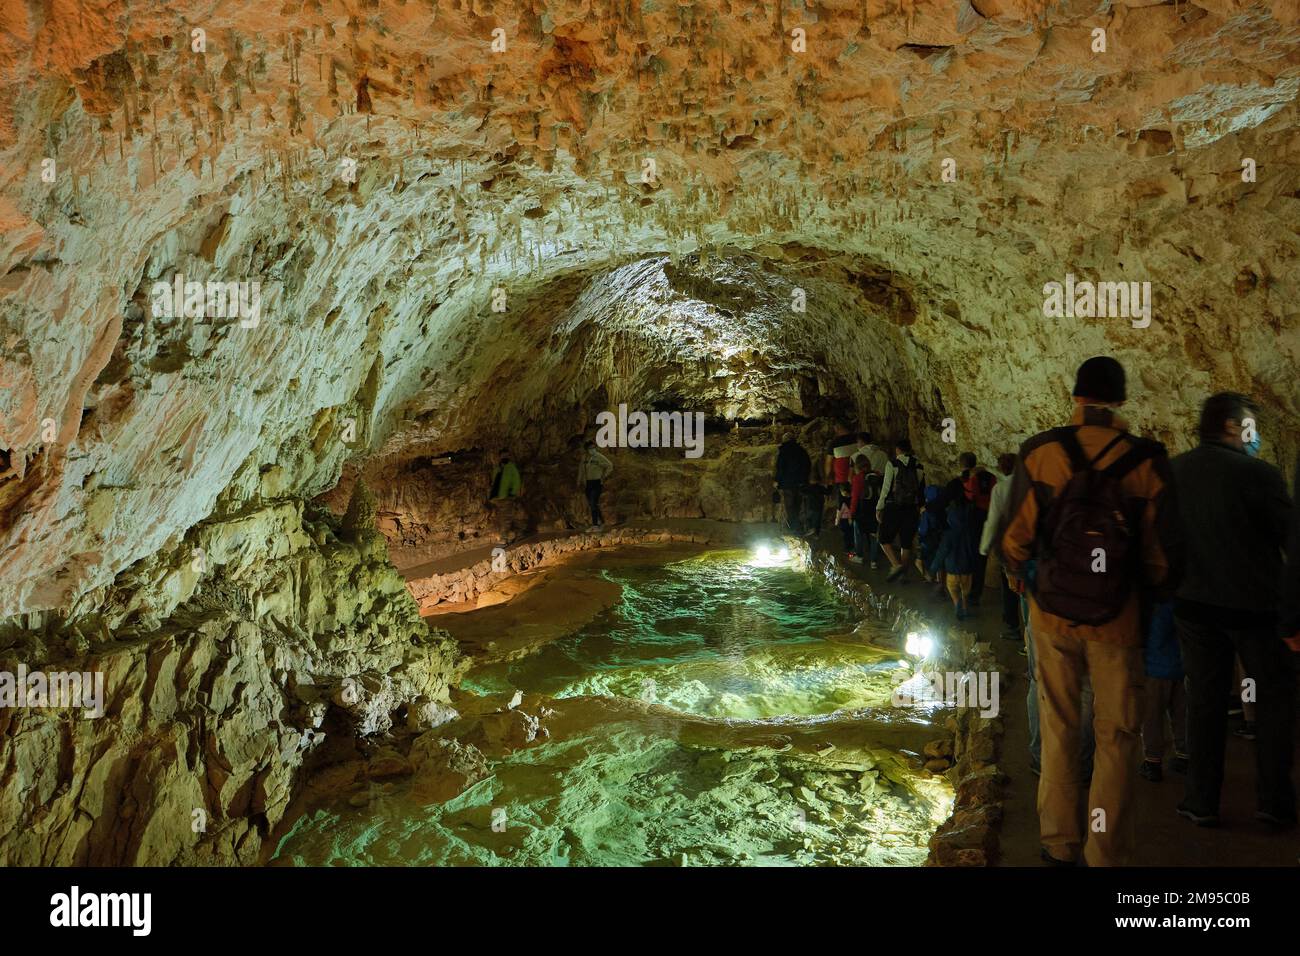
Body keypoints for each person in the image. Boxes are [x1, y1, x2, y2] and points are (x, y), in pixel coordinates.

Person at [1001, 356, 1182, 867]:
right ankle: (1104, 852)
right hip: (1118, 620)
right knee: (1117, 737)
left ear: (1076, 397)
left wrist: (1029, 576)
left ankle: (1059, 843)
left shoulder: (1042, 453)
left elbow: (1013, 542)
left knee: (1058, 727)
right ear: (1121, 402)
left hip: (1052, 615)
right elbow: (1162, 560)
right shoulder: (1147, 460)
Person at [1170, 392, 1294, 828]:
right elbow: (1292, 544)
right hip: (1254, 611)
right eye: (1249, 427)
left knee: (1204, 704)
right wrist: (1292, 615)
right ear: (1229, 426)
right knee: (1275, 704)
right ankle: (1273, 803)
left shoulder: (1175, 471)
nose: (1254, 436)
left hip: (1193, 608)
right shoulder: (1259, 474)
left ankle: (1200, 801)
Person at [1139, 600, 1188, 782]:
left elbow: (1154, 637)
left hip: (1154, 670)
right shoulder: (1182, 602)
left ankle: (1152, 761)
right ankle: (1184, 755)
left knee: (1152, 717)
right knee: (1182, 715)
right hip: (1182, 668)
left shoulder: (1156, 606)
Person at [980, 453, 1022, 640]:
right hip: (1028, 543)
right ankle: (1029, 630)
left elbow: (993, 519)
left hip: (1008, 545)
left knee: (1009, 586)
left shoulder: (1000, 489)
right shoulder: (1028, 486)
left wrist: (985, 545)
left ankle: (1013, 626)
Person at [930, 478, 979, 619]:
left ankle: (956, 603)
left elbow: (942, 551)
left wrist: (933, 568)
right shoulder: (970, 531)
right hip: (967, 568)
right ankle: (964, 606)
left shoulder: (948, 534)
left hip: (952, 568)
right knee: (966, 590)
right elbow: (974, 548)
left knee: (953, 588)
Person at [876, 438, 923, 582]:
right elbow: (920, 488)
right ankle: (904, 574)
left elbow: (886, 488)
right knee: (906, 541)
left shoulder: (893, 464)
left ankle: (896, 566)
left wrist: (879, 507)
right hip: (911, 507)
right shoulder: (919, 465)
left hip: (894, 507)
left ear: (898, 450)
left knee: (883, 538)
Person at [959, 452, 996, 607]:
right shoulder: (990, 476)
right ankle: (976, 593)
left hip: (974, 519)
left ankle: (967, 592)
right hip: (988, 516)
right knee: (981, 558)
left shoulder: (970, 478)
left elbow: (970, 497)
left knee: (970, 556)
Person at [773, 430, 811, 535]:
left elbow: (781, 468)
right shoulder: (802, 451)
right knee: (798, 505)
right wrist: (804, 480)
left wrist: (777, 480)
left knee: (790, 506)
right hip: (800, 483)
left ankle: (792, 527)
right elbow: (807, 466)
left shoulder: (784, 451)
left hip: (787, 483)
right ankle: (798, 526)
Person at [848, 453, 882, 565]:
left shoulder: (858, 478)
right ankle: (874, 561)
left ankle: (859, 556)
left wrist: (851, 513)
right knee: (874, 535)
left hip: (862, 510)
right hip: (875, 509)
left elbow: (855, 497)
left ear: (857, 466)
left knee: (858, 534)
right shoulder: (877, 475)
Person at [487, 448, 524, 546]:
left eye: (506, 455)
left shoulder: (511, 467)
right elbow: (495, 482)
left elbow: (516, 480)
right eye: (503, 455)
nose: (505, 457)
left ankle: (504, 538)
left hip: (507, 496)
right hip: (498, 498)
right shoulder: (497, 468)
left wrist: (512, 492)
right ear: (500, 456)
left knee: (505, 518)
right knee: (502, 518)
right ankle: (515, 534)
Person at [577, 440, 614, 532]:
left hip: (597, 482)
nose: (592, 450)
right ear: (586, 450)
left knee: (593, 502)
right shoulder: (584, 458)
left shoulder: (599, 457)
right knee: (592, 504)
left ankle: (595, 525)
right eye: (590, 448)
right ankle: (601, 522)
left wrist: (604, 476)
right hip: (588, 483)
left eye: (593, 448)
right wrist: (579, 481)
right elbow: (581, 469)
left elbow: (610, 465)